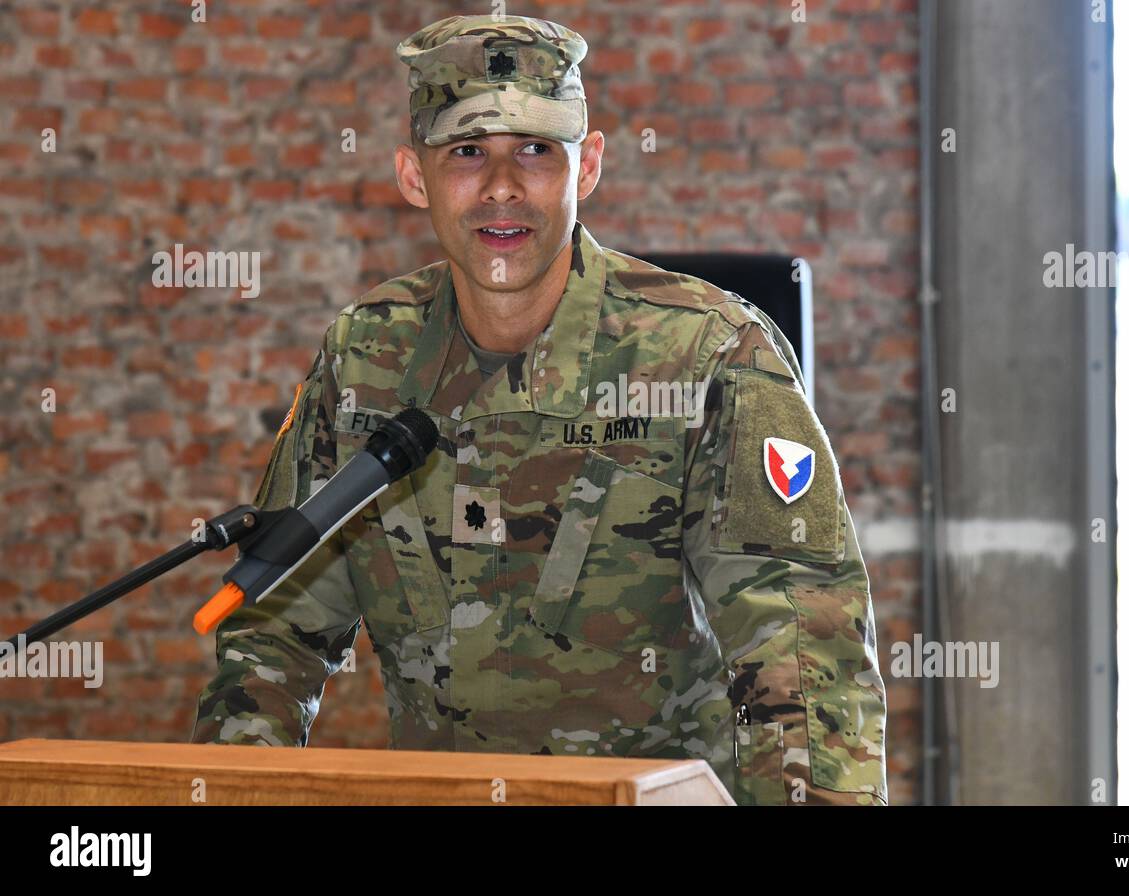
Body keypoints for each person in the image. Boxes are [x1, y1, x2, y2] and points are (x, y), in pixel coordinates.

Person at [192, 13, 887, 806]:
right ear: (412, 176)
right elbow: (276, 635)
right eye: (466, 152)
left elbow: (804, 656)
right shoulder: (364, 361)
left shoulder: (710, 357)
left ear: (586, 166)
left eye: (535, 149)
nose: (502, 186)